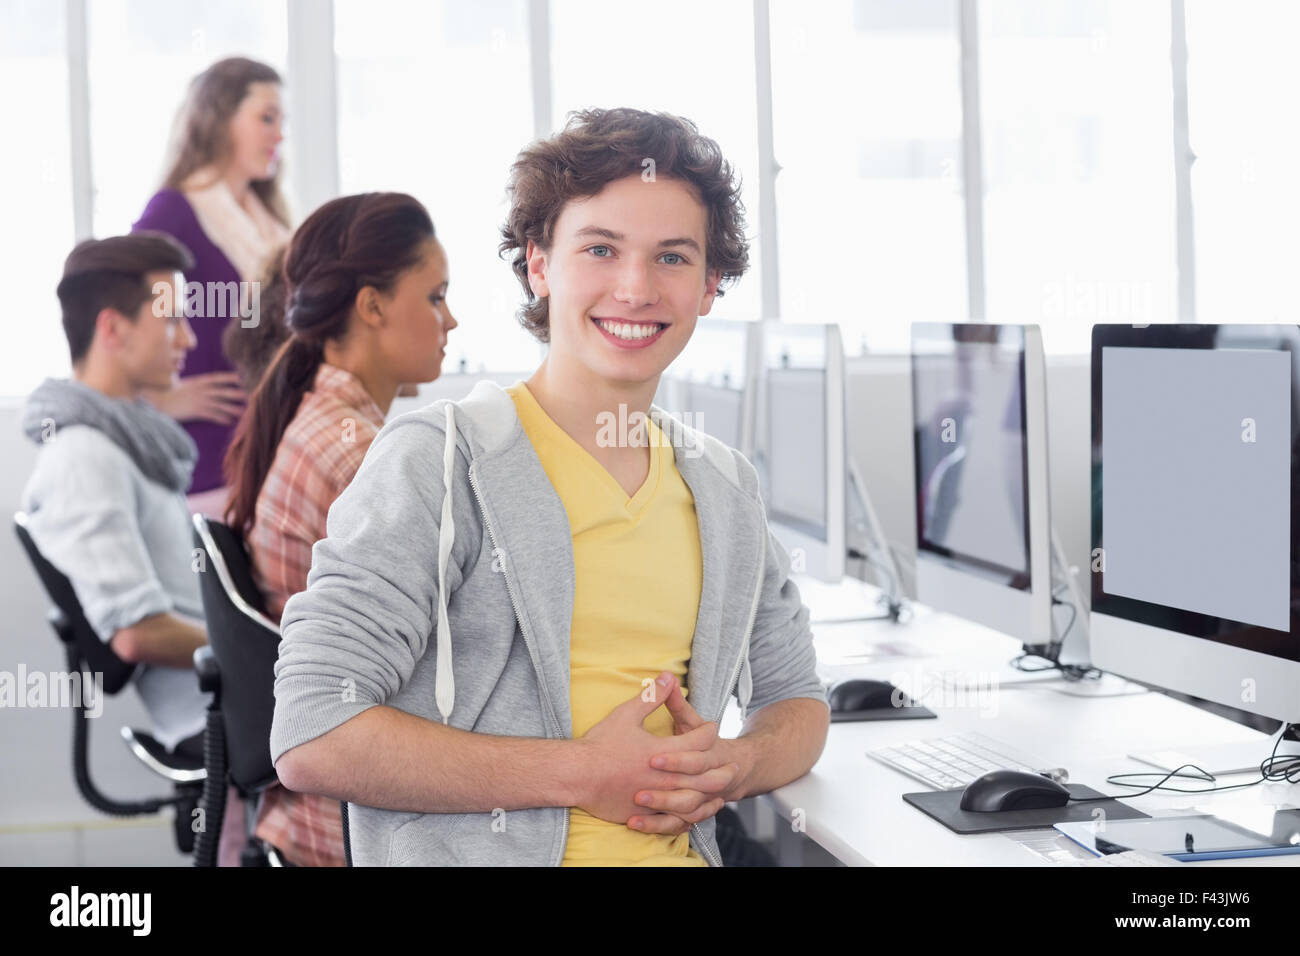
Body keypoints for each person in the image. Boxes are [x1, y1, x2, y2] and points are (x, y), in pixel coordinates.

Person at [270, 108, 830, 866]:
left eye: (672, 258)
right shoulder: (438, 462)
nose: (635, 288)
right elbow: (311, 730)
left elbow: (797, 702)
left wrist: (737, 765)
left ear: (710, 287)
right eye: (601, 249)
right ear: (539, 265)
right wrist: (580, 774)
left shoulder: (724, 487)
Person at [224, 192, 456, 866]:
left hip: (306, 815)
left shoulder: (319, 419)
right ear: (373, 306)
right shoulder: (359, 455)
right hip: (352, 822)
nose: (452, 319)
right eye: (436, 297)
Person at [20, 233, 210, 757]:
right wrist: (264, 650)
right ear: (112, 328)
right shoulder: (83, 457)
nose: (188, 340)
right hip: (214, 710)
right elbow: (137, 634)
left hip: (234, 692)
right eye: (172, 320)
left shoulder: (126, 442)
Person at [133, 56, 293, 515]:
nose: (279, 135)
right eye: (266, 118)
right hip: (210, 462)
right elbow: (112, 309)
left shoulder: (270, 221)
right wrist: (159, 399)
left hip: (269, 448)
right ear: (219, 120)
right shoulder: (175, 211)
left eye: (282, 120)